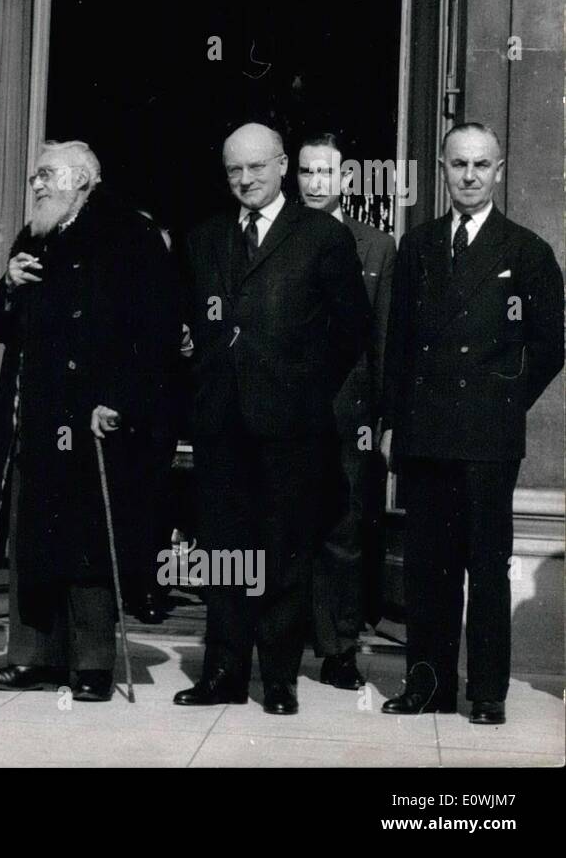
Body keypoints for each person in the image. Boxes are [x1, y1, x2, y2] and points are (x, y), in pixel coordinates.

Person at [0, 142, 181, 701]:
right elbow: (0, 327)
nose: (35, 184)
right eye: (34, 175)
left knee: (87, 546)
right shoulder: (35, 235)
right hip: (31, 414)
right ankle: (32, 658)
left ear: (82, 180)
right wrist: (7, 284)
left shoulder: (130, 233)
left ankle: (92, 666)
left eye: (46, 175)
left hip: (92, 417)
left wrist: (120, 400)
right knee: (30, 536)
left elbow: (155, 330)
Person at [173, 122, 369, 715]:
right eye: (234, 169)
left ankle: (278, 677)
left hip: (293, 427)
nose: (245, 179)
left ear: (283, 166)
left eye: (257, 167)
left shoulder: (321, 236)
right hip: (220, 426)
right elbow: (189, 325)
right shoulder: (203, 238)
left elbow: (353, 329)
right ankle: (224, 672)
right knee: (225, 552)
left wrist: (304, 387)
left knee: (285, 553)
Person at [380, 122, 564, 725]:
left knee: (485, 568)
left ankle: (487, 693)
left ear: (499, 170)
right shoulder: (419, 246)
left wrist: (505, 400)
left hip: (488, 440)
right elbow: (398, 344)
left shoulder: (527, 251)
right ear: (442, 167)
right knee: (428, 569)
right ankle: (427, 686)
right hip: (427, 435)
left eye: (481, 165)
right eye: (459, 164)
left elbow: (550, 344)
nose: (469, 176)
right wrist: (393, 423)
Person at [296, 132, 395, 690]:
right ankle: (280, 643)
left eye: (325, 174)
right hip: (283, 413)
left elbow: (381, 340)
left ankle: (338, 649)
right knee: (282, 528)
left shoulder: (376, 248)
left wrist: (383, 421)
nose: (315, 184)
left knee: (344, 530)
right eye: (307, 173)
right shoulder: (275, 236)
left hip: (348, 415)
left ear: (347, 181)